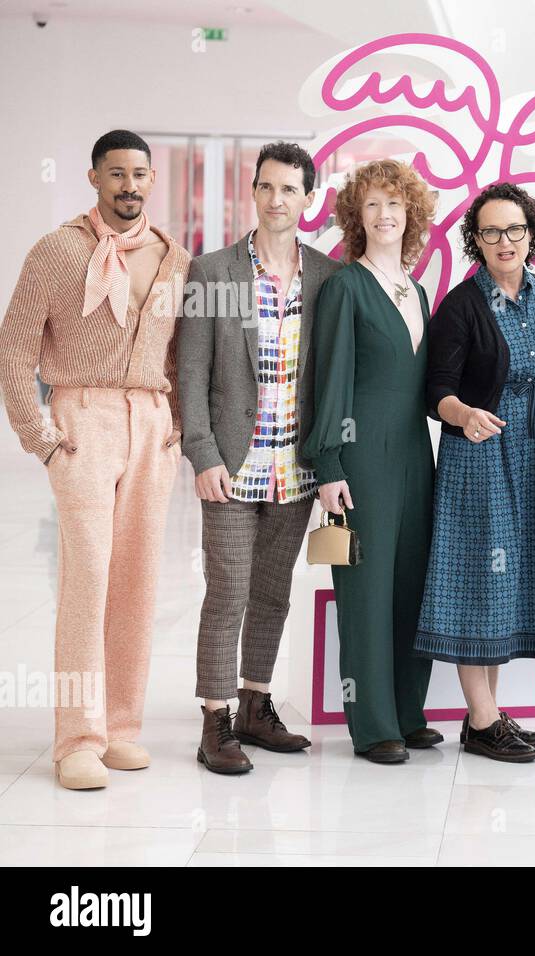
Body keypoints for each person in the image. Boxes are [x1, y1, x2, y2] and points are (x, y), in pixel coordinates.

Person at [0, 130, 190, 789]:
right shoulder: (57, 251)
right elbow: (15, 351)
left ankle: (119, 729)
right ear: (93, 178)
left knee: (137, 581)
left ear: (151, 181)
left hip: (151, 427)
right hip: (81, 422)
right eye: (116, 173)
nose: (129, 185)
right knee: (87, 578)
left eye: (139, 173)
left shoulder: (174, 259)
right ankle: (76, 740)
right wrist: (42, 437)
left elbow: (183, 355)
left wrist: (180, 425)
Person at [178, 142, 339, 774]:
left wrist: (329, 463)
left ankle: (255, 704)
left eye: (290, 190)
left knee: (273, 594)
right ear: (253, 190)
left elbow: (332, 379)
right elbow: (190, 374)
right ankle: (215, 720)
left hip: (295, 467)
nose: (277, 200)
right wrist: (201, 455)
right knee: (227, 592)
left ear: (308, 198)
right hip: (232, 464)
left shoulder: (328, 277)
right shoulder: (211, 271)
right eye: (266, 188)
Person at [416, 182, 535, 762]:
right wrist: (463, 415)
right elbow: (435, 389)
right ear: (476, 241)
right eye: (491, 231)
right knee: (481, 579)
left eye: (515, 229)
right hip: (481, 452)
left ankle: (486, 713)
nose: (504, 241)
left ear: (532, 235)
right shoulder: (462, 306)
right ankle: (482, 718)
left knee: (511, 581)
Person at [301, 158, 442, 764]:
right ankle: (373, 726)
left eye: (396, 204)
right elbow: (328, 382)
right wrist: (327, 464)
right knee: (365, 589)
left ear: (411, 214)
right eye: (373, 206)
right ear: (356, 219)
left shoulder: (420, 291)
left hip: (416, 451)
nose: (386, 215)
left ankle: (410, 713)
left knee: (414, 583)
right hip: (361, 455)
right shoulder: (344, 286)